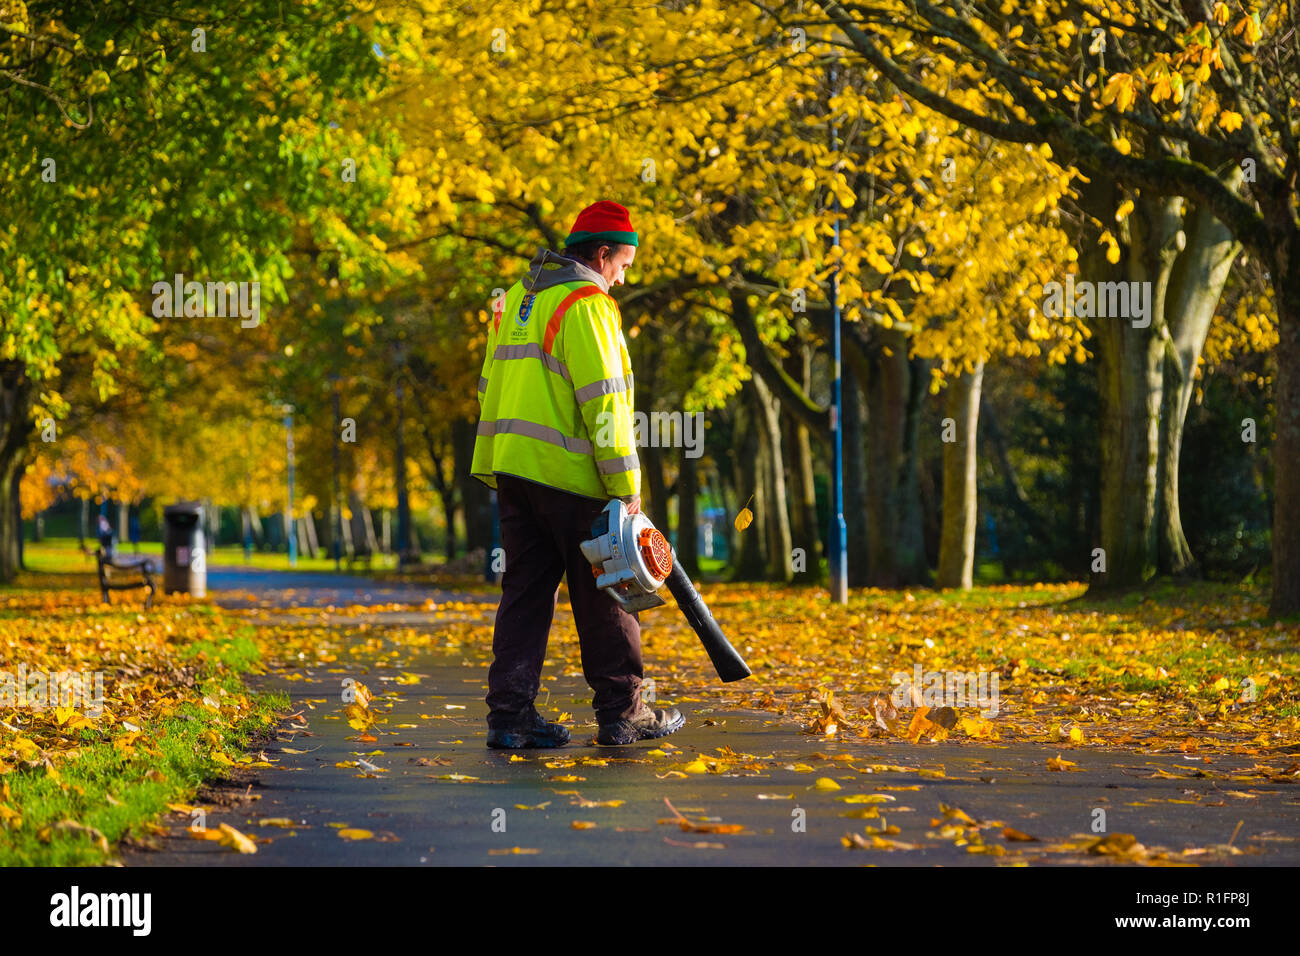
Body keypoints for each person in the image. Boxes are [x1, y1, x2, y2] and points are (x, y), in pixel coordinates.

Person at [471, 200, 684, 748]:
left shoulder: (516, 300)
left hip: (515, 471)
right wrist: (625, 485)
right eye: (624, 265)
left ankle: (509, 718)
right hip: (574, 478)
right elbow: (605, 401)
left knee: (523, 595)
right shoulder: (587, 304)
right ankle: (623, 714)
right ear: (603, 253)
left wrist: (498, 463)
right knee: (608, 594)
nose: (622, 278)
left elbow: (487, 387)